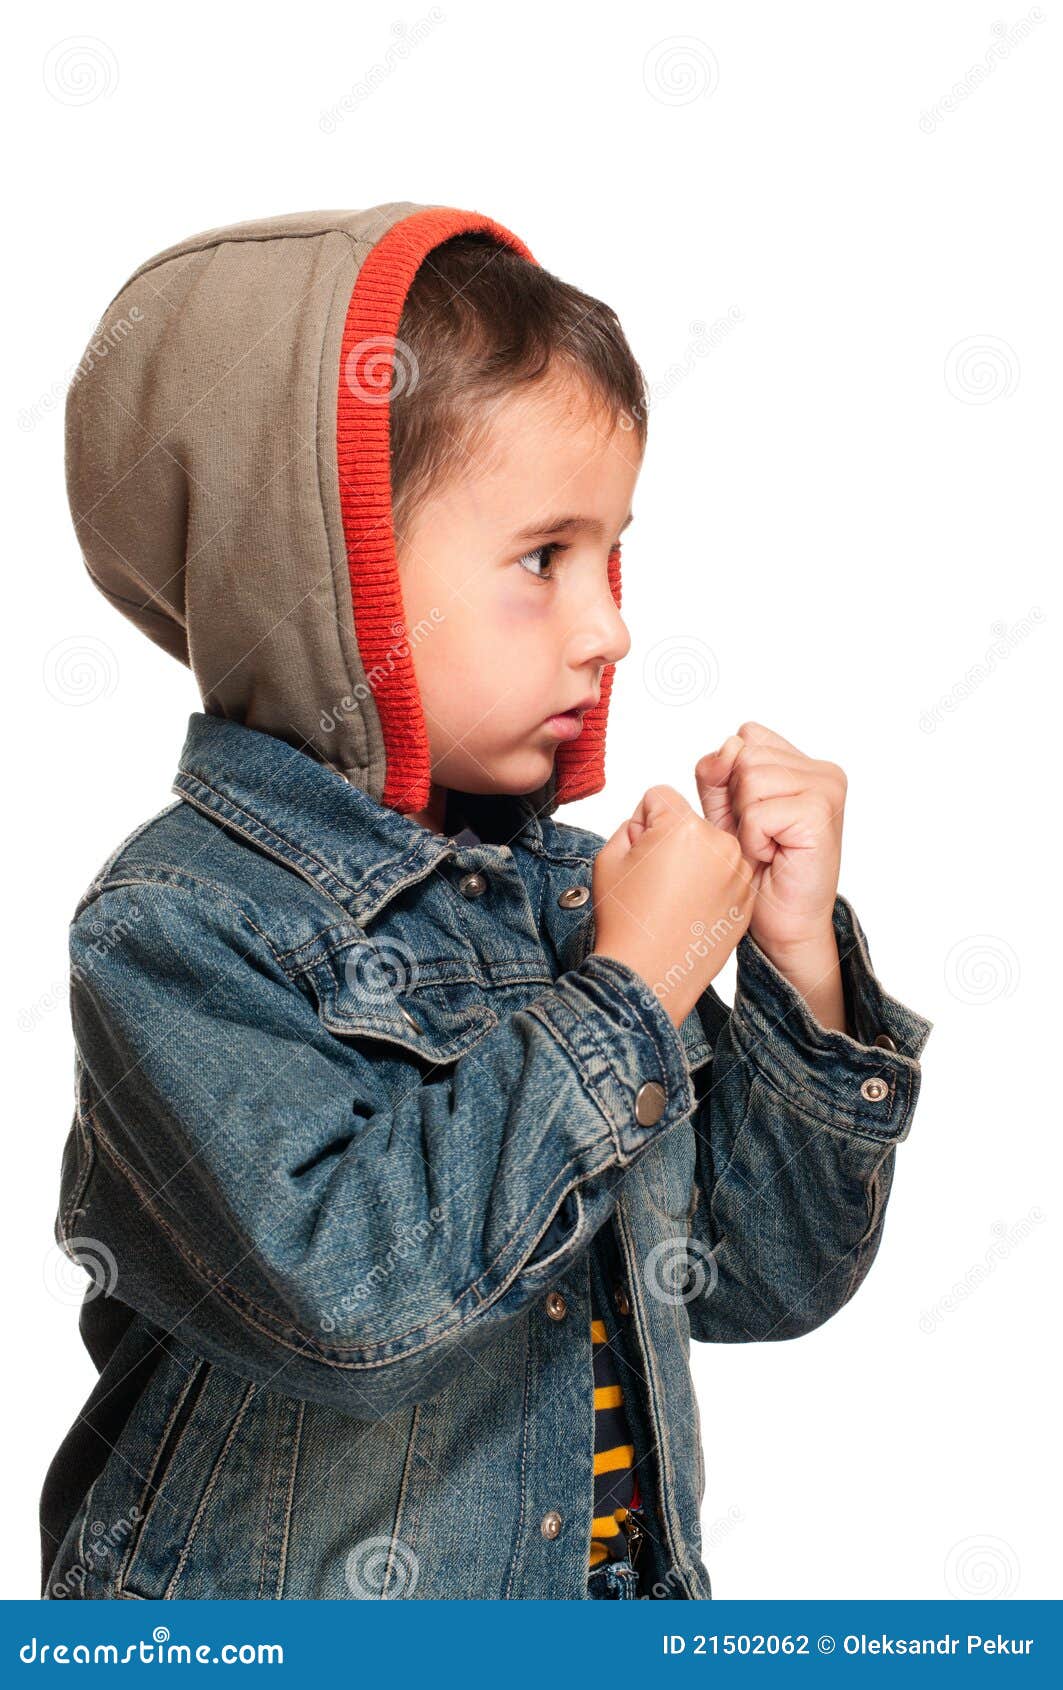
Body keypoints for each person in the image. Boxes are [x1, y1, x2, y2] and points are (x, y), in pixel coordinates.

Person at [42, 203, 933, 1602]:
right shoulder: (177, 927)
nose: (610, 626)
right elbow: (354, 1305)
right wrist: (629, 995)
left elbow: (758, 1276)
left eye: (609, 553)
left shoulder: (577, 902)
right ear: (323, 578)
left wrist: (794, 961)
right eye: (542, 558)